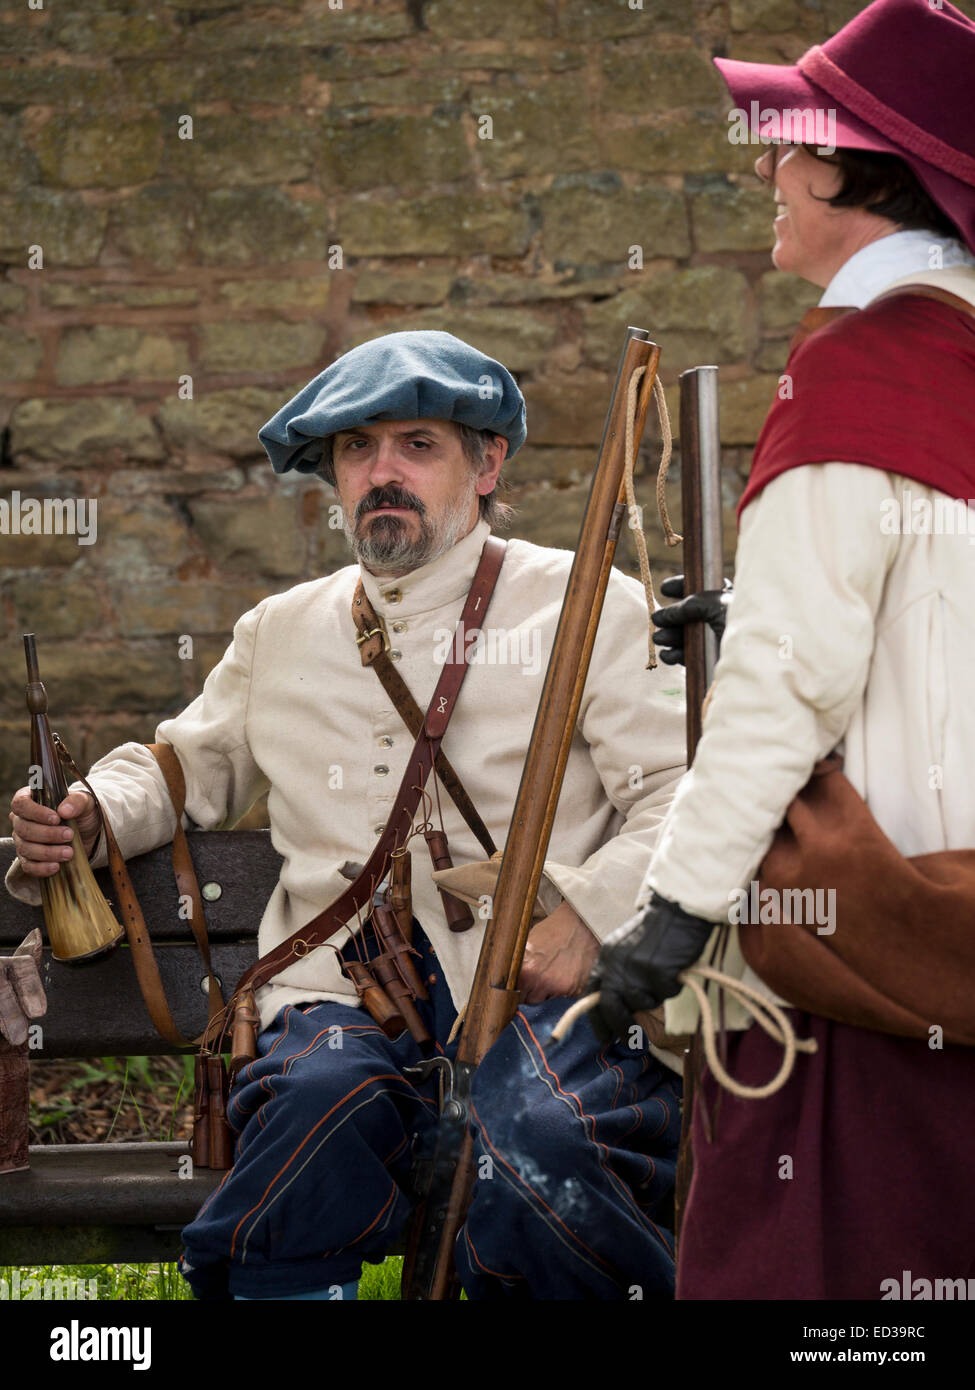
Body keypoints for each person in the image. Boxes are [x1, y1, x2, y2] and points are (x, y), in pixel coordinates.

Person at [7, 329, 686, 1301]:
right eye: (358, 449)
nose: (383, 473)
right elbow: (179, 767)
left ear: (486, 462)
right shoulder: (281, 631)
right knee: (313, 1120)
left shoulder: (587, 608)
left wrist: (587, 920)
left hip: (547, 992)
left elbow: (678, 791)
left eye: (418, 445)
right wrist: (88, 812)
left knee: (537, 1150)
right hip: (341, 991)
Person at [591, 0, 975, 1299]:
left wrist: (676, 907)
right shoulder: (958, 353)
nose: (764, 170)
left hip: (867, 945)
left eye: (786, 144)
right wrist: (752, 604)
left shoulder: (860, 368)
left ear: (856, 166)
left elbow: (787, 685)